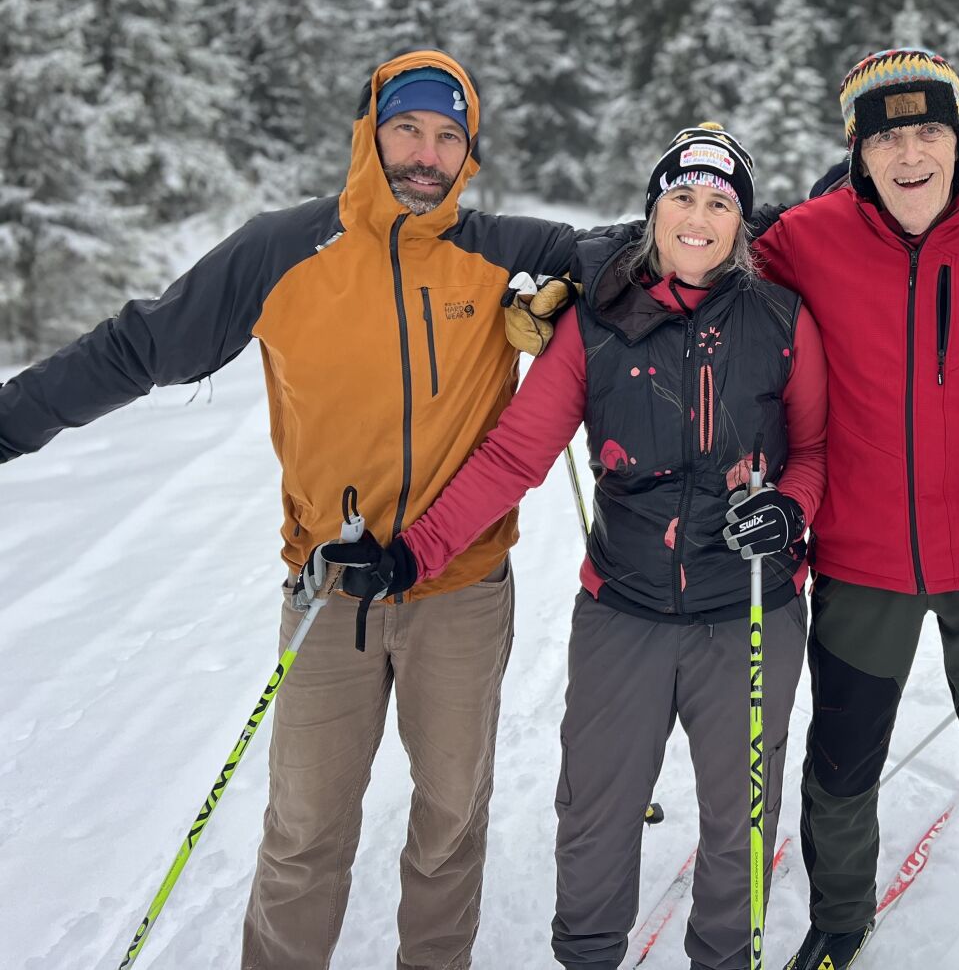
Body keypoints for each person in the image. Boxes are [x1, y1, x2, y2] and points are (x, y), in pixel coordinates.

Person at [0, 50, 603, 969]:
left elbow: (656, 250)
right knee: (303, 832)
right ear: (370, 130)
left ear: (469, 152)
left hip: (464, 590)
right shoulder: (283, 249)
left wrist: (569, 302)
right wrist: (9, 423)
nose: (426, 153)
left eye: (449, 135)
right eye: (408, 127)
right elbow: (137, 346)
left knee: (449, 824)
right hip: (328, 591)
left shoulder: (506, 250)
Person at [323, 123, 829, 970]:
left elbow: (812, 450)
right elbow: (515, 453)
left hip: (749, 606)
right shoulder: (597, 323)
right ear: (652, 209)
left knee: (739, 815)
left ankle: (723, 956)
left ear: (742, 222)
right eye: (681, 196)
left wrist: (789, 510)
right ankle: (588, 955)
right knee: (596, 805)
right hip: (623, 607)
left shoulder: (780, 318)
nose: (698, 218)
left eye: (719, 202)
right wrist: (415, 551)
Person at [758, 49, 959, 970]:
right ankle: (836, 926)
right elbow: (693, 270)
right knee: (841, 768)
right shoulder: (802, 239)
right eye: (888, 135)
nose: (912, 153)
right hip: (861, 562)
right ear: (858, 151)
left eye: (929, 130)